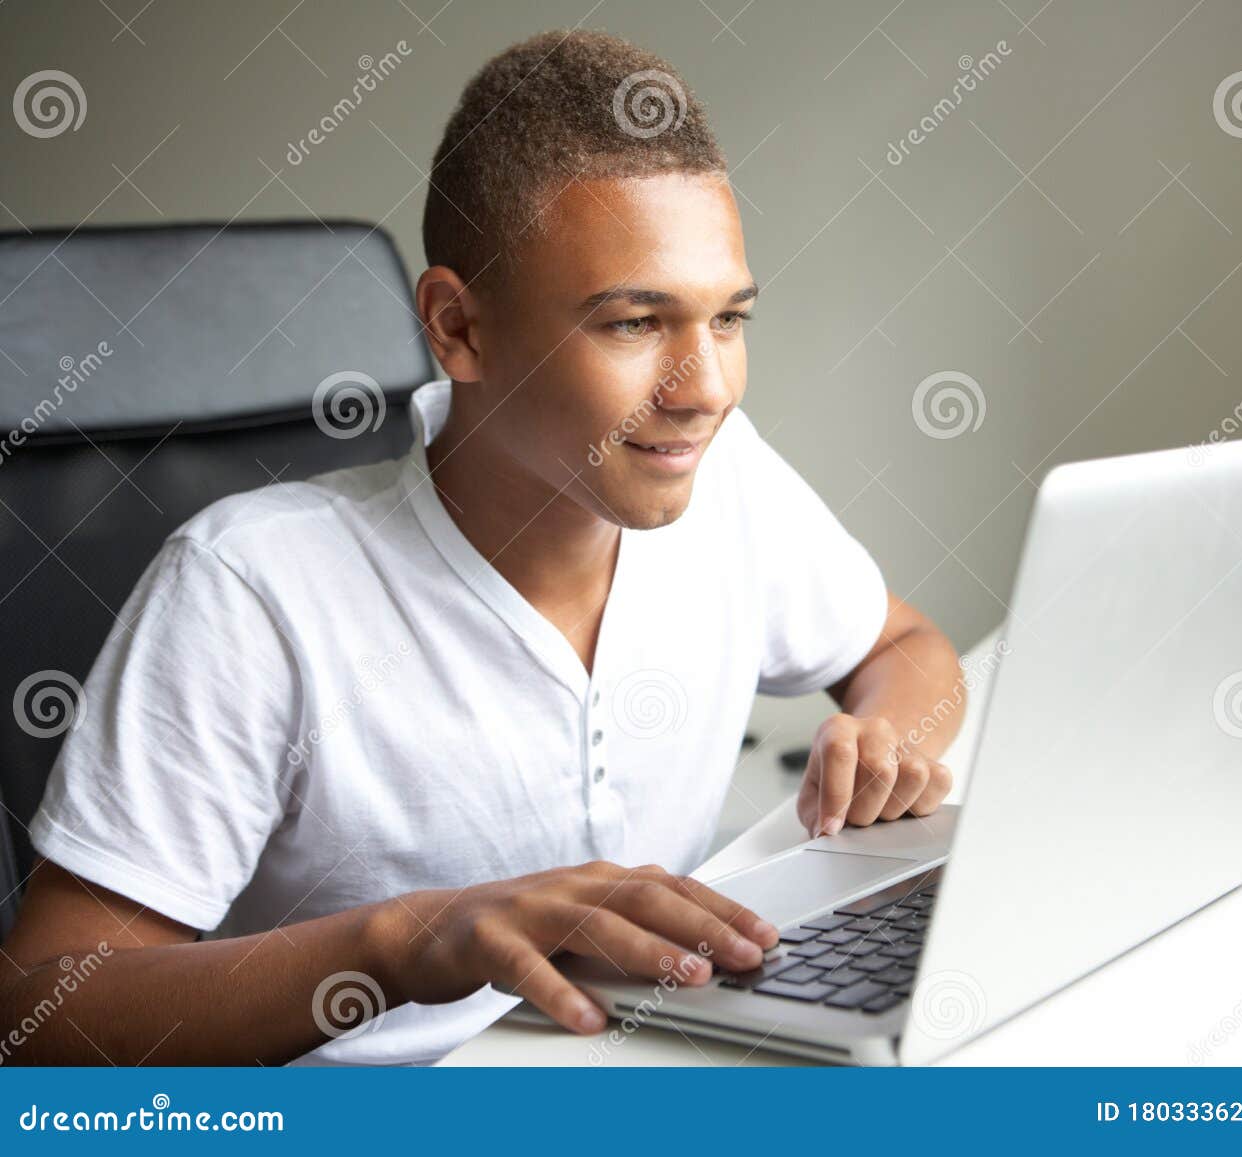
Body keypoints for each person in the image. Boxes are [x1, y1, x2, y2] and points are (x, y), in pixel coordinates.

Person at [0, 29, 962, 1065]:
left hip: (660, 1055)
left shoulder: (725, 480)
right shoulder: (250, 589)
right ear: (457, 327)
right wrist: (405, 943)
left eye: (726, 318)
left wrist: (890, 734)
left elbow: (902, 645)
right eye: (636, 322)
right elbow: (42, 1015)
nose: (708, 388)